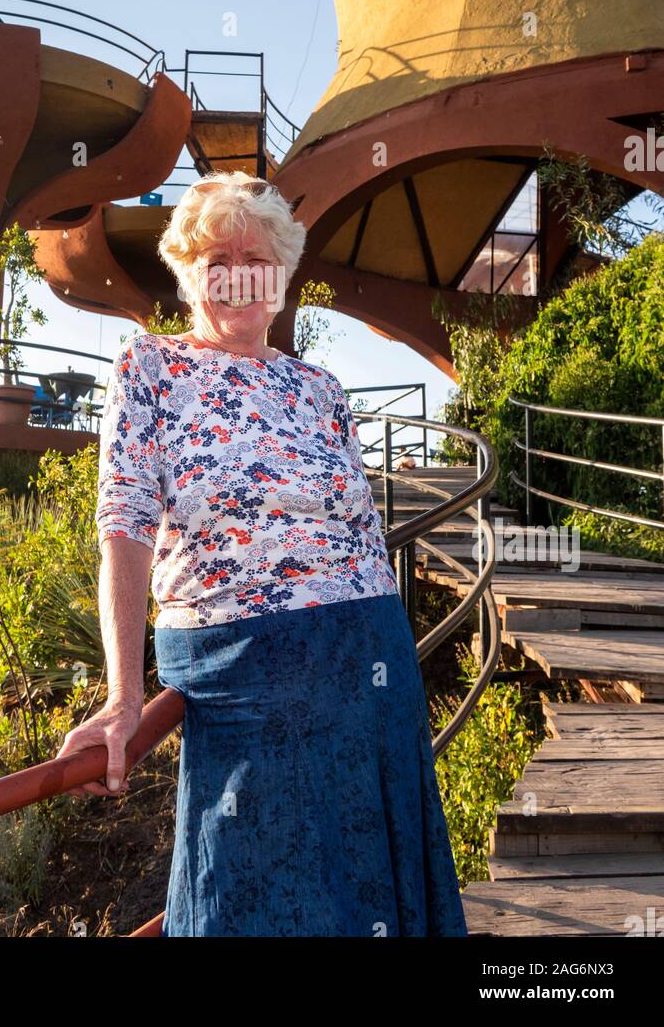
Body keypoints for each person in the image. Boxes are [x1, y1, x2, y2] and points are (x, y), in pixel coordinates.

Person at [56, 171, 467, 937]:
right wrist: (122, 697)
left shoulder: (321, 388)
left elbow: (363, 536)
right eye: (218, 260)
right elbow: (125, 521)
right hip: (244, 679)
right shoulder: (151, 369)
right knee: (248, 890)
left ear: (280, 276)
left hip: (371, 669)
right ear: (187, 275)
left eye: (258, 259)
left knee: (378, 892)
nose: (240, 276)